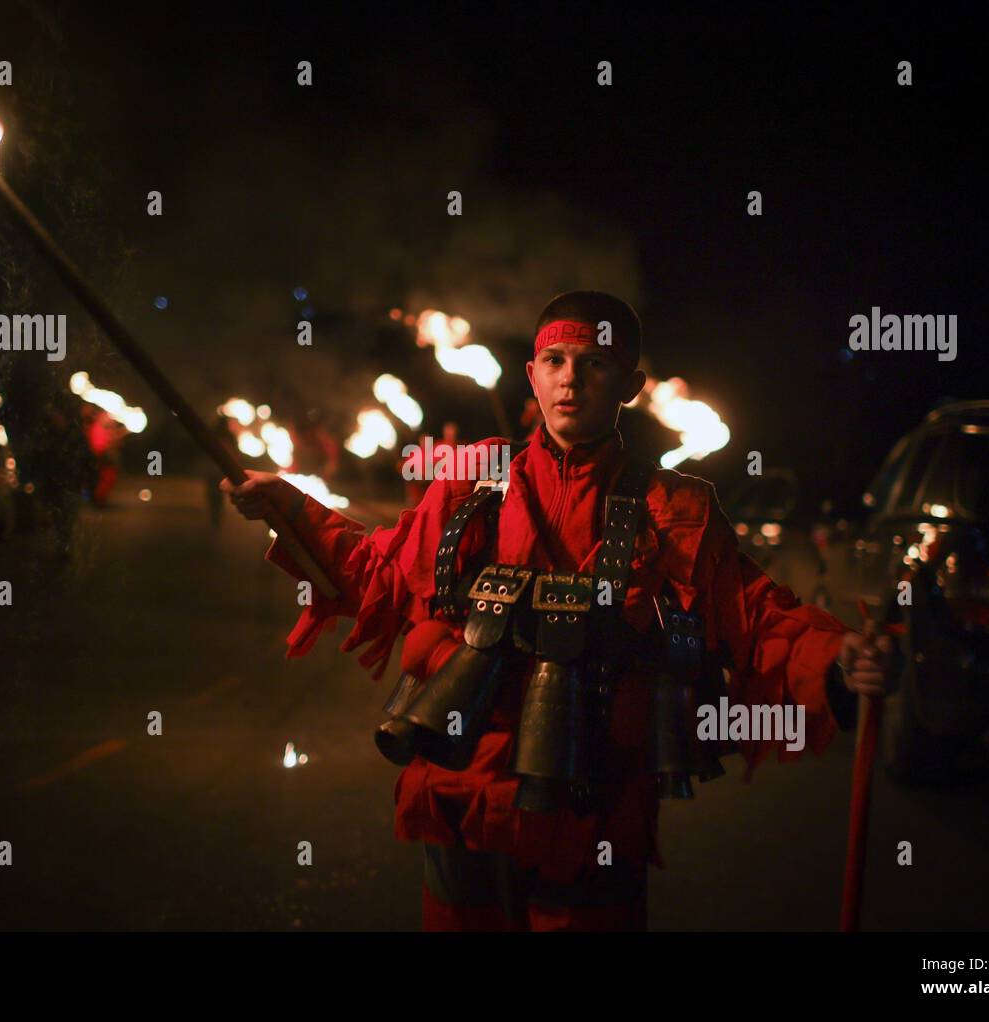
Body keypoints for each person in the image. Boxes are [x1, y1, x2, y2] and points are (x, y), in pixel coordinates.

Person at [223, 291, 897, 931]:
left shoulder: (678, 509)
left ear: (629, 386)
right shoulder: (470, 480)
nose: (570, 380)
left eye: (595, 363)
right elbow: (379, 571)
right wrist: (288, 507)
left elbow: (758, 619)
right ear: (532, 376)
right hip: (464, 799)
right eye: (555, 362)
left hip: (594, 810)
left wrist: (840, 660)